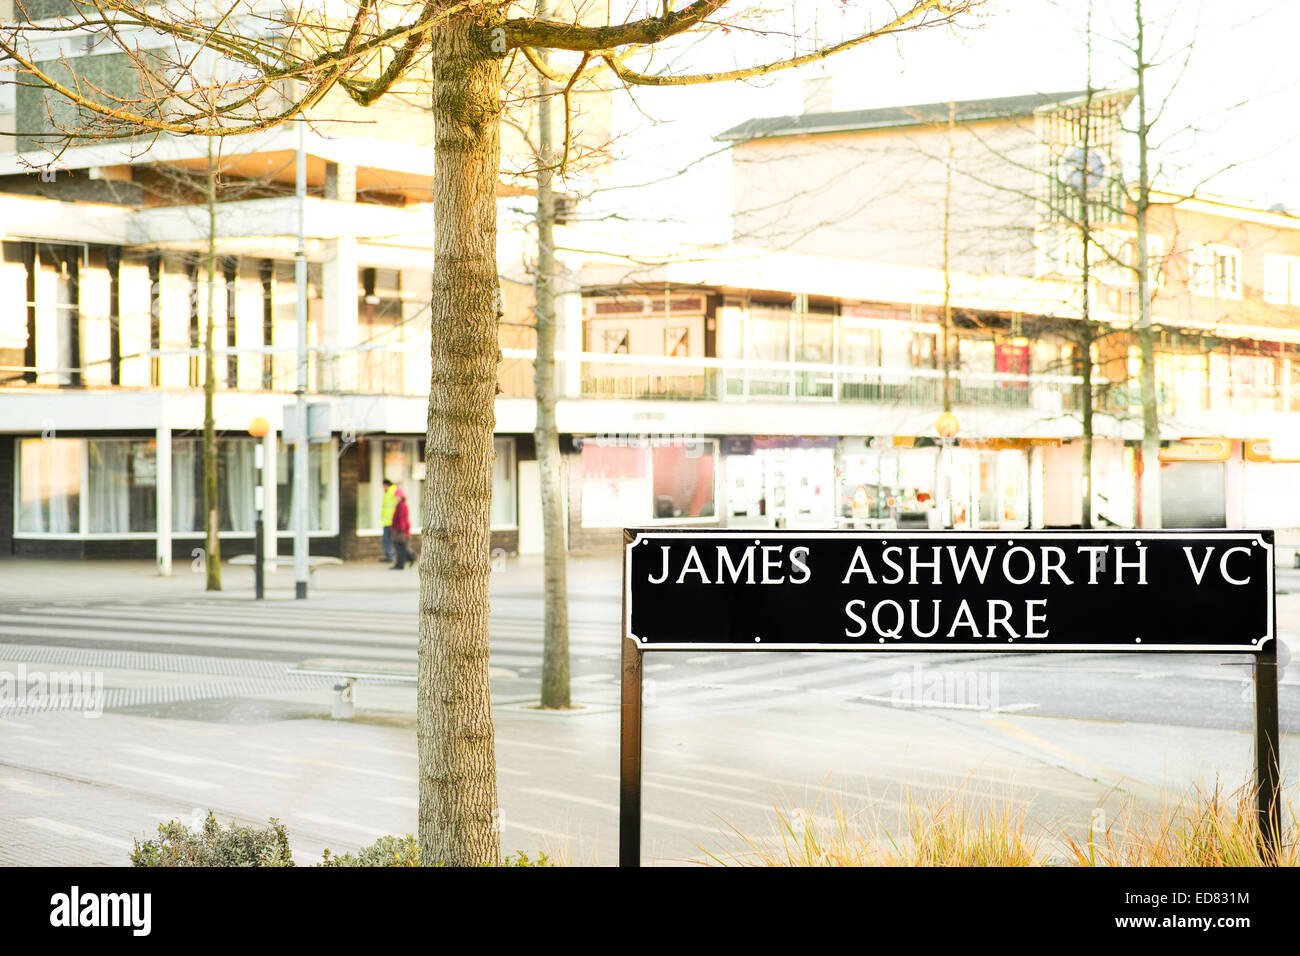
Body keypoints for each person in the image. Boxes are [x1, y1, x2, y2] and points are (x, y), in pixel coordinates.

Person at [390, 487, 415, 570]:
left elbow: (402, 518)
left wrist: (401, 529)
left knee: (400, 547)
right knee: (401, 547)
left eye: (396, 496)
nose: (395, 497)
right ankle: (405, 561)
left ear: (400, 496)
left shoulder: (402, 505)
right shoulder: (399, 505)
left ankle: (400, 564)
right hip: (399, 529)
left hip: (401, 530)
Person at [379, 479, 397, 562]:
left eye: (383, 486)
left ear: (386, 485)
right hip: (387, 521)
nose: (383, 488)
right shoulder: (388, 493)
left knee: (388, 539)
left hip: (391, 522)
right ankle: (389, 556)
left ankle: (390, 556)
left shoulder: (393, 492)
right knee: (388, 539)